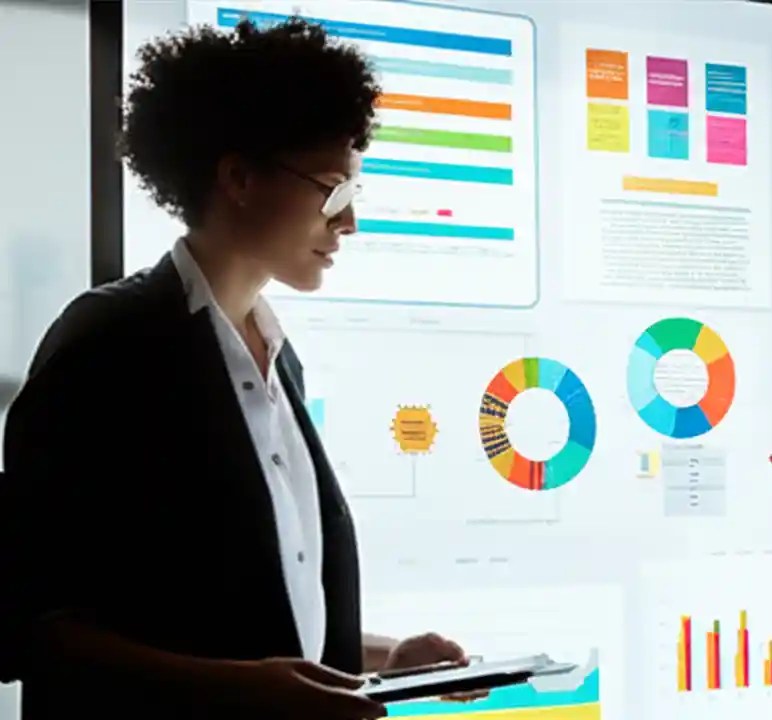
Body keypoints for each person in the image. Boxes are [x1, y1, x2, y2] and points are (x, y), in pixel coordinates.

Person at [0, 17, 477, 720]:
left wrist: (383, 659)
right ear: (239, 178)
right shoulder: (109, 344)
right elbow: (34, 631)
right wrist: (243, 693)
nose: (349, 224)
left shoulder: (279, 362)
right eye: (332, 191)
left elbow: (245, 617)